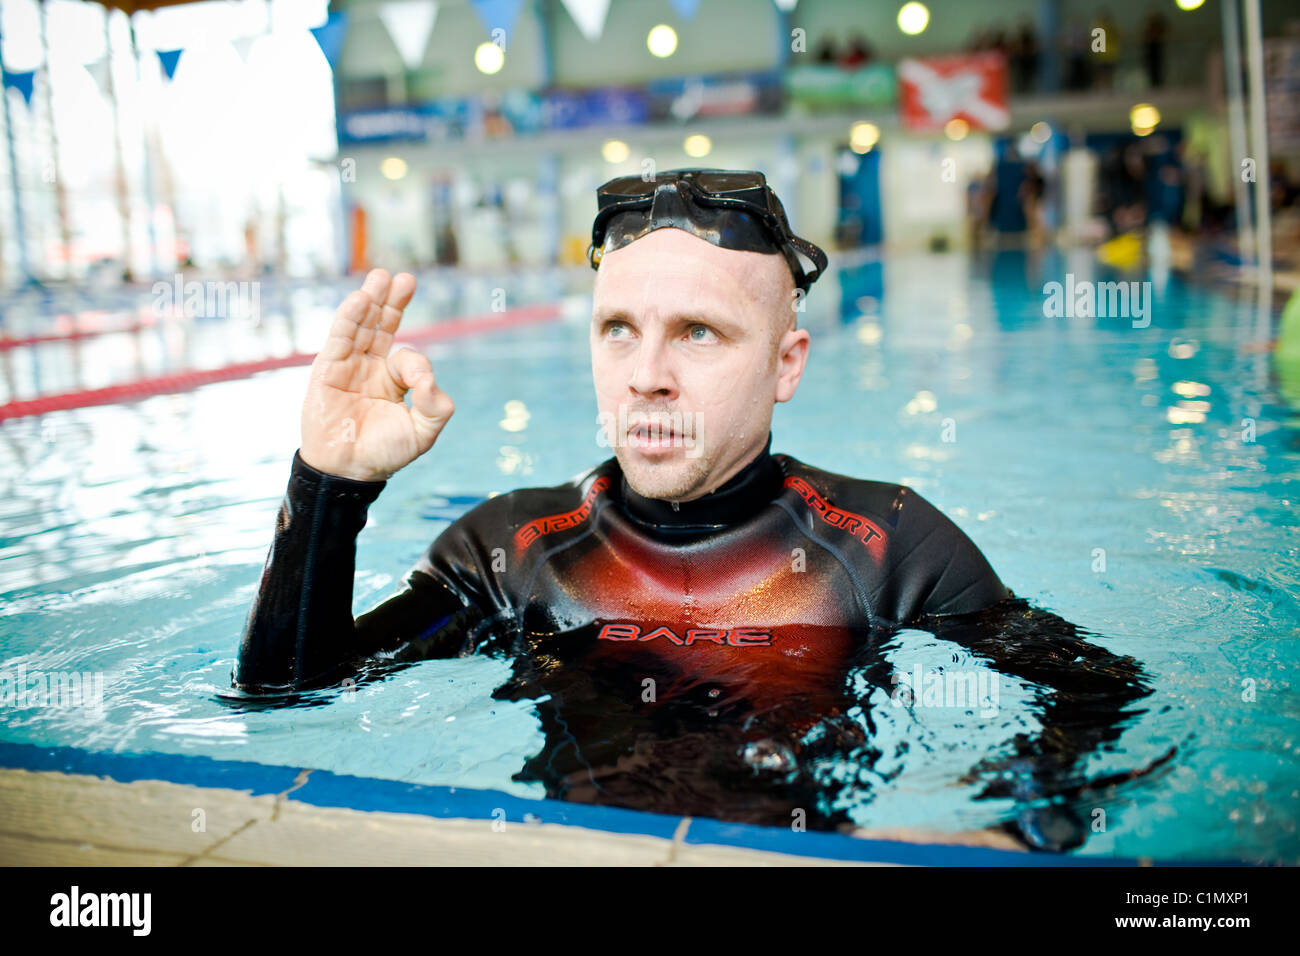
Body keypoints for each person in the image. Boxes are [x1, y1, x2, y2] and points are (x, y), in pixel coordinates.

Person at [231, 169, 1154, 850]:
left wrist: (1012, 819)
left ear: (786, 363)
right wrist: (328, 484)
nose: (646, 376)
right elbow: (291, 694)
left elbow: (1099, 693)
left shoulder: (888, 546)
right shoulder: (512, 549)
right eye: (618, 329)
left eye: (698, 333)